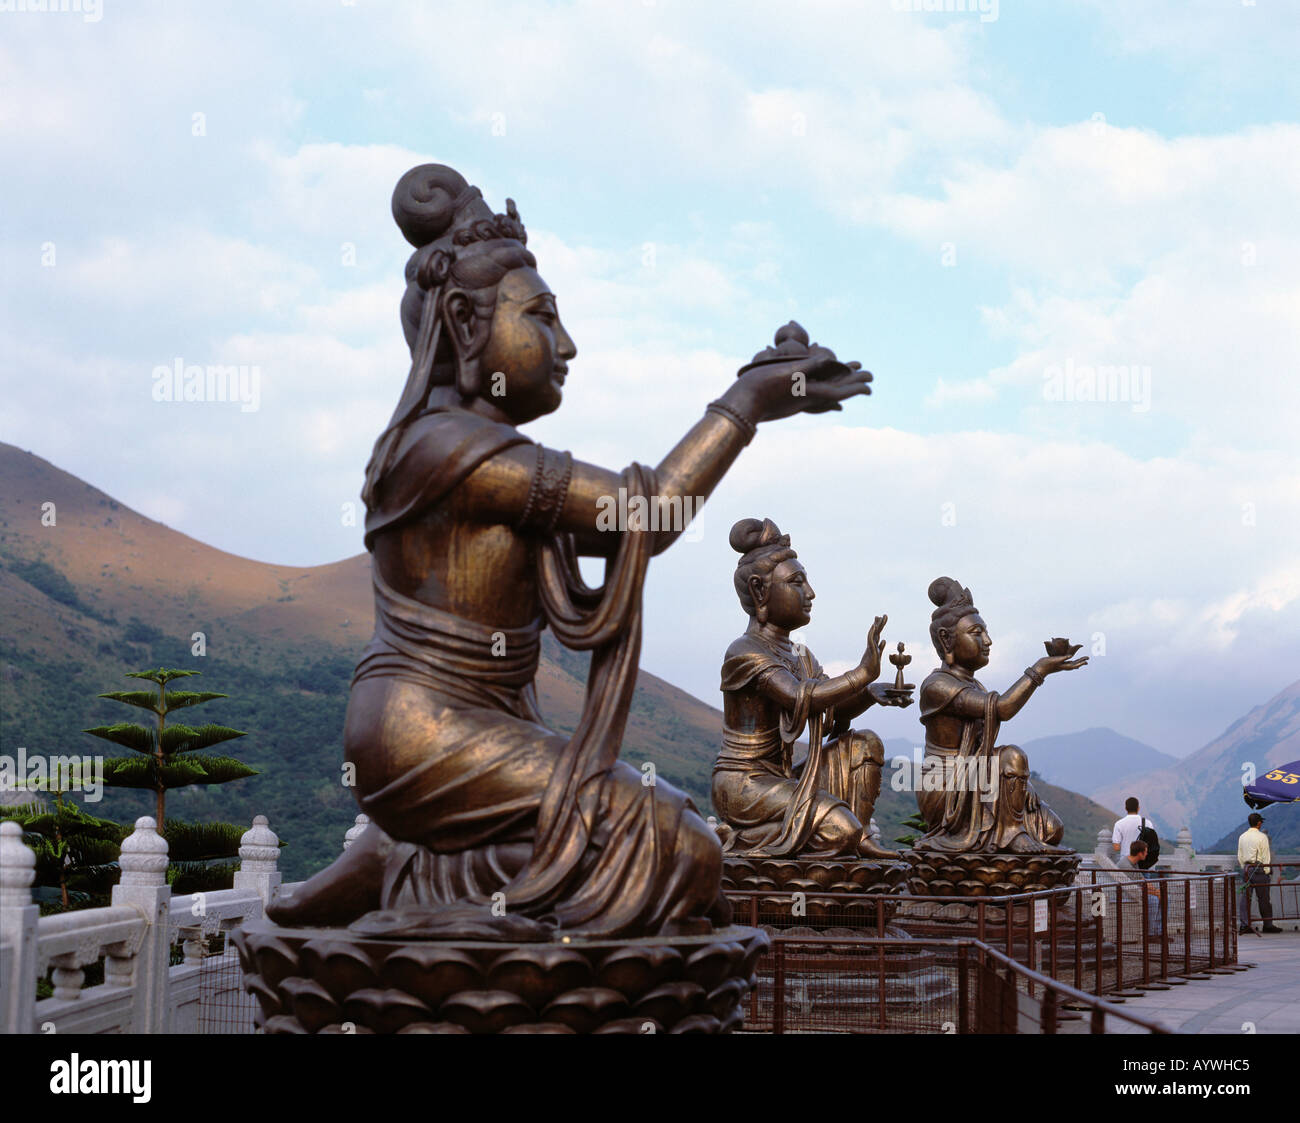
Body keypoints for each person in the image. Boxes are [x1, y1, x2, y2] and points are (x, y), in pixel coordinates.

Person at [266, 164, 875, 939]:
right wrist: (747, 401)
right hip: (420, 725)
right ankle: (407, 870)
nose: (568, 345)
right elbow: (646, 514)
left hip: (469, 720)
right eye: (543, 319)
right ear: (462, 319)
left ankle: (401, 862)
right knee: (680, 849)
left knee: (634, 831)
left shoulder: (470, 448)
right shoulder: (450, 451)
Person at [712, 518, 913, 860]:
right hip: (745, 784)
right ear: (760, 591)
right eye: (796, 583)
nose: (810, 593)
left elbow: (828, 712)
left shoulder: (801, 655)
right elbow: (797, 696)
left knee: (864, 744)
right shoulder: (745, 652)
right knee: (839, 829)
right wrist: (861, 675)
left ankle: (854, 836)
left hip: (786, 776)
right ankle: (739, 838)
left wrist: (867, 695)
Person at [913, 577, 1086, 853]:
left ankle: (1010, 827)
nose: (988, 641)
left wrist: (1014, 789)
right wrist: (1039, 670)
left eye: (986, 632)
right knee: (1012, 755)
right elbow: (1003, 708)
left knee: (1051, 829)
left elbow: (984, 749)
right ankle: (1008, 833)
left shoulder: (975, 686)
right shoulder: (937, 686)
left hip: (978, 782)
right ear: (947, 640)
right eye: (977, 633)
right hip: (947, 789)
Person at [1237, 812, 1282, 934]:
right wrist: (1267, 871)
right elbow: (1265, 856)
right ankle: (1267, 924)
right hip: (1260, 869)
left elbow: (1240, 856)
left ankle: (1244, 925)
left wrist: (1244, 868)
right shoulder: (1262, 837)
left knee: (1246, 899)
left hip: (1247, 868)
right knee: (1264, 899)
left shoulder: (1242, 836)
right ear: (1259, 823)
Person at [1122, 840, 1163, 936]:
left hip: (1137, 890)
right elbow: (1137, 887)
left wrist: (1156, 891)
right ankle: (1150, 933)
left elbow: (1143, 881)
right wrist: (1156, 893)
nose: (1147, 854)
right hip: (1128, 893)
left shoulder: (1134, 863)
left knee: (1165, 897)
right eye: (1146, 851)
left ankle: (1159, 931)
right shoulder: (1126, 866)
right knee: (1153, 900)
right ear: (1140, 853)